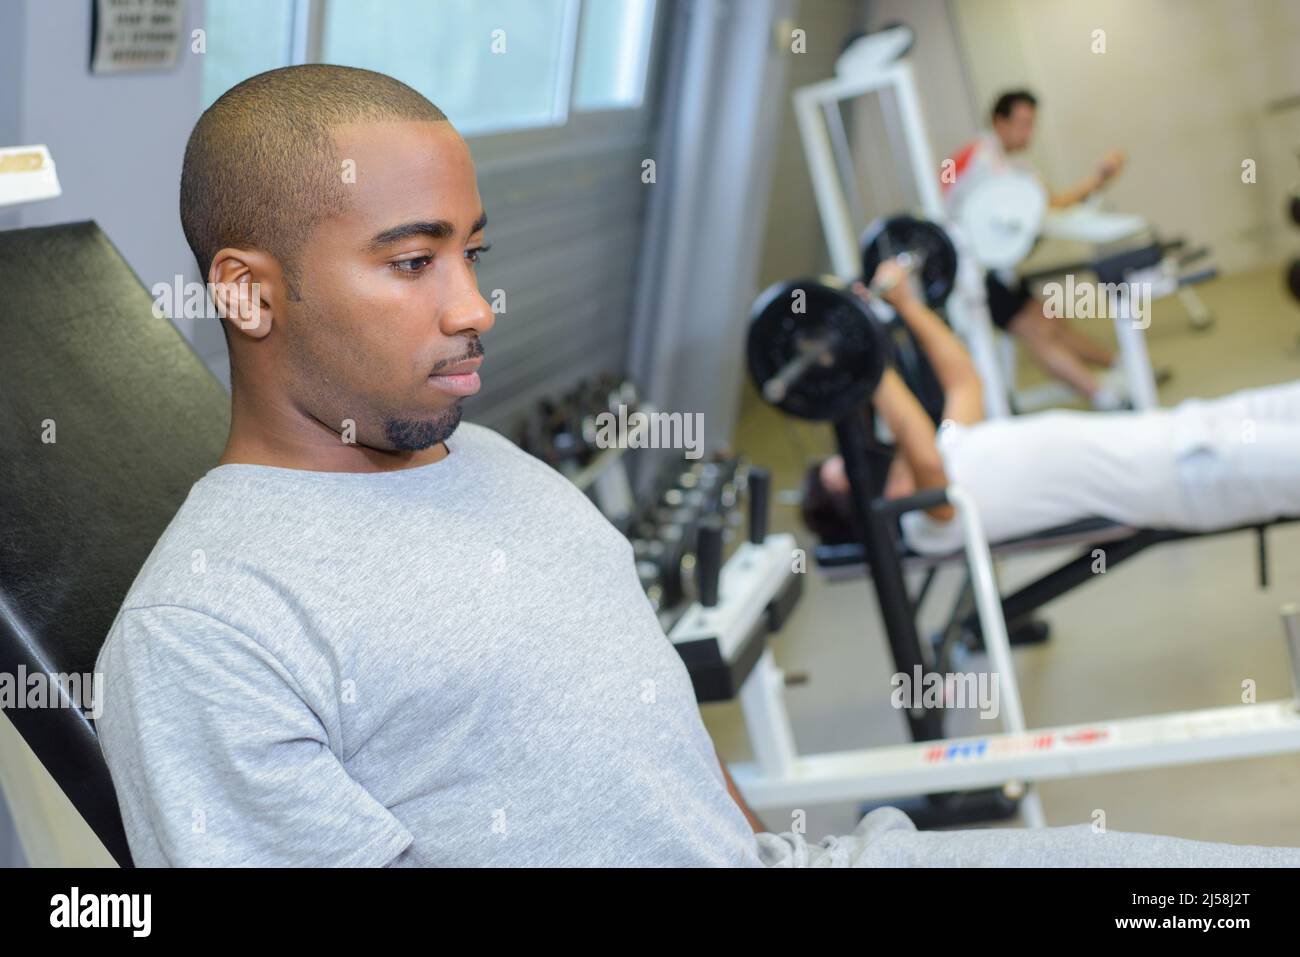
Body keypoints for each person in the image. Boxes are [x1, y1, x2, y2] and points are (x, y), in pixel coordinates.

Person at [95, 65, 1298, 867]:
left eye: (475, 251)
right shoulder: (205, 635)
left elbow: (654, 753)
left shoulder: (499, 463)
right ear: (246, 292)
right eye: (413, 264)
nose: (477, 306)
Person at [804, 260, 1300, 559]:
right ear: (860, 505)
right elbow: (921, 456)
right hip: (1193, 472)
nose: (860, 459)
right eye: (846, 473)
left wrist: (908, 305)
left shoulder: (949, 447)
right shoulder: (931, 521)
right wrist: (859, 356)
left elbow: (963, 379)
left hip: (1190, 424)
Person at [945, 90, 1130, 409]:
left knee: (1052, 319)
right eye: (1023, 124)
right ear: (998, 122)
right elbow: (940, 193)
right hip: (969, 274)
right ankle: (1103, 395)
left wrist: (1097, 180)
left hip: (999, 270)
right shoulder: (978, 158)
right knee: (1037, 329)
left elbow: (1052, 205)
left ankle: (1121, 368)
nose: (1029, 133)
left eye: (1032, 125)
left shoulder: (1018, 164)